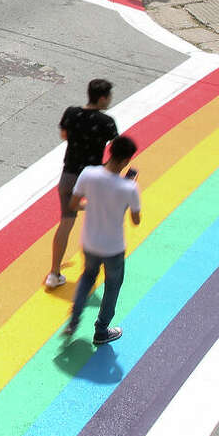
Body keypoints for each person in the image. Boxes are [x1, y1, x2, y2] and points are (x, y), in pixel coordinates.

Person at [62, 135, 141, 346]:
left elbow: (73, 204)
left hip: (89, 243)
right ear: (126, 161)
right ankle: (101, 331)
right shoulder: (129, 188)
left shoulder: (88, 174)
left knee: (87, 277)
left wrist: (93, 205)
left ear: (110, 151)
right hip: (113, 248)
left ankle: (74, 320)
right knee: (112, 287)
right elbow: (136, 221)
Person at [47, 77, 116, 289]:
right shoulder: (106, 122)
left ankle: (54, 273)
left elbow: (64, 135)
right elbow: (117, 153)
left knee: (66, 222)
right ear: (102, 98)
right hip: (93, 179)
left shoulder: (71, 113)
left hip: (68, 176)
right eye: (109, 97)